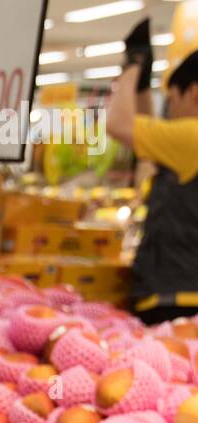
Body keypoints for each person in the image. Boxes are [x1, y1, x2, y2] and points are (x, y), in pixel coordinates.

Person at [107, 35, 198, 323]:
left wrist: (131, 68)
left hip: (176, 298)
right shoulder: (185, 146)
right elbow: (151, 147)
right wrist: (142, 86)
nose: (168, 112)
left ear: (194, 94)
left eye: (170, 101)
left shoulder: (192, 136)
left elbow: (117, 125)